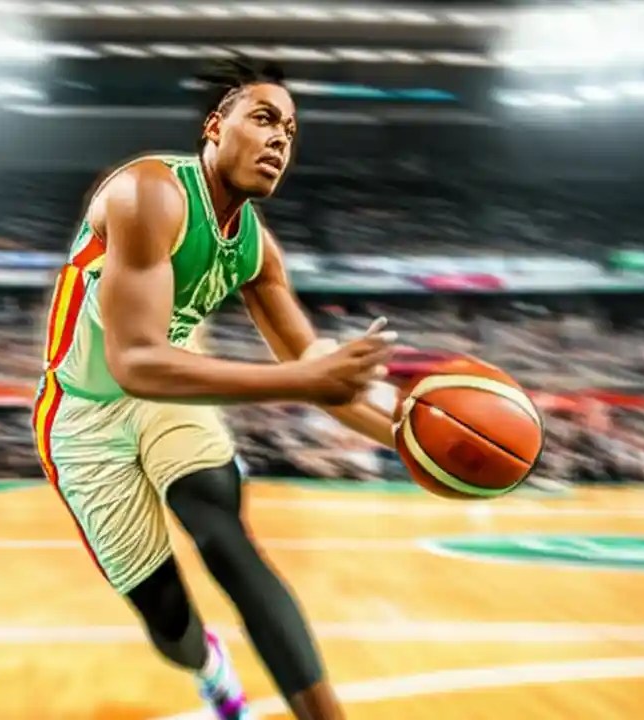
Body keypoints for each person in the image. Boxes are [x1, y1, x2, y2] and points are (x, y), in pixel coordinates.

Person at [31, 58, 399, 720]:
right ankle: (208, 667)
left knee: (223, 533)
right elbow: (135, 360)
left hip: (168, 393)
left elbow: (323, 372)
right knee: (168, 620)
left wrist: (413, 432)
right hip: (82, 413)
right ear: (213, 127)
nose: (280, 139)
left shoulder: (257, 249)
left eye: (289, 128)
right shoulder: (150, 192)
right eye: (262, 118)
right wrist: (303, 378)